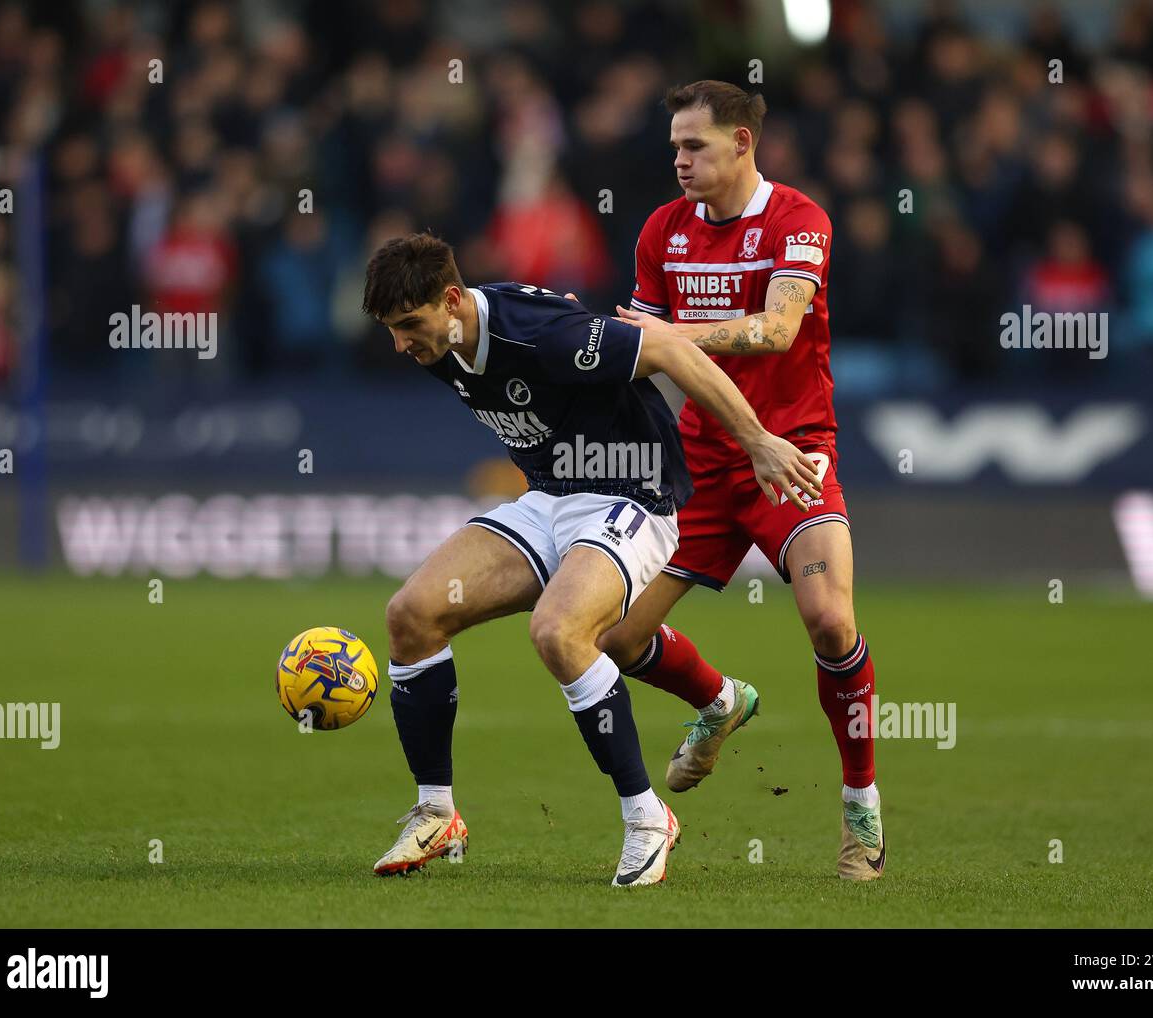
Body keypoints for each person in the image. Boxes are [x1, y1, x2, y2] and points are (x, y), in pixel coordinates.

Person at [361, 232, 821, 886]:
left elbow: (668, 350)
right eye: (390, 330)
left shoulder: (539, 335)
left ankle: (646, 819)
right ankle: (437, 813)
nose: (401, 345)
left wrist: (758, 441)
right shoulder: (440, 342)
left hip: (632, 492)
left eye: (408, 326)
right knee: (411, 615)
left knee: (559, 631)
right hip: (550, 496)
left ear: (453, 300)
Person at [597, 80, 887, 880]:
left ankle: (861, 808)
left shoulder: (800, 220)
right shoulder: (663, 230)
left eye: (695, 146)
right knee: (612, 639)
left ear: (741, 144)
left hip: (791, 454)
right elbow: (637, 355)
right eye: (674, 149)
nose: (681, 162)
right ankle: (720, 700)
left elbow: (777, 329)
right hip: (700, 465)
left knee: (830, 622)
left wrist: (668, 334)